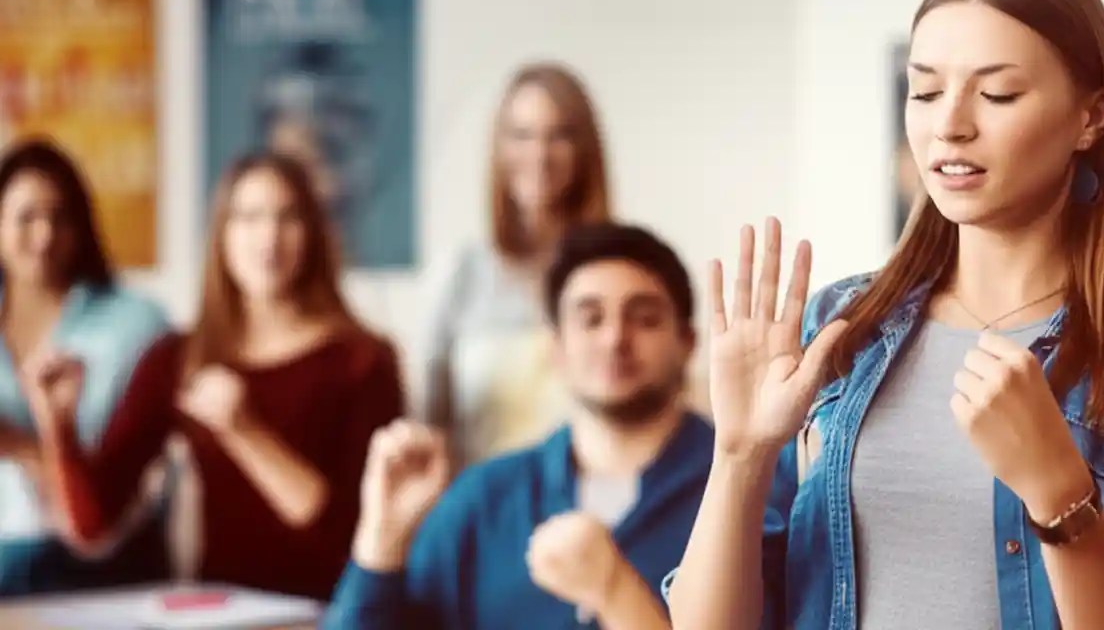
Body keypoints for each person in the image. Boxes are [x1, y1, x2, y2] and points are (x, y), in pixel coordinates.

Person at [667, 0, 1104, 630]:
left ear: (1091, 119)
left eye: (996, 93)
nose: (950, 124)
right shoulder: (839, 328)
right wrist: (741, 454)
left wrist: (1059, 494)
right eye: (925, 90)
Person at [23, 154, 404, 600]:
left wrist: (244, 431)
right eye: (248, 218)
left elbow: (354, 532)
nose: (269, 237)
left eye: (289, 217)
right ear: (221, 235)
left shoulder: (364, 361)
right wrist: (59, 427)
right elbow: (95, 524)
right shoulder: (178, 359)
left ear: (315, 234)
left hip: (331, 611)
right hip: (224, 613)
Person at [325, 223, 711, 629]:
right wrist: (382, 538)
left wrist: (615, 592)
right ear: (555, 347)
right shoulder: (483, 498)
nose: (615, 338)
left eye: (645, 319)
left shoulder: (749, 491)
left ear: (688, 342)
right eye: (590, 319)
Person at [0, 137, 170, 595]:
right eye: (26, 217)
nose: (44, 236)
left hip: (101, 554)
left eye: (60, 216)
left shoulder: (136, 326)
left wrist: (24, 446)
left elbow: (121, 484)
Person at [422, 62, 612, 467]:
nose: (540, 154)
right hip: (482, 513)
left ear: (585, 150)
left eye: (560, 135)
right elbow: (432, 424)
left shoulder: (618, 272)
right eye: (522, 135)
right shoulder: (462, 274)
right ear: (499, 148)